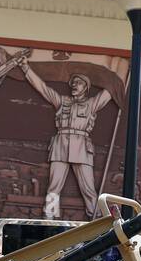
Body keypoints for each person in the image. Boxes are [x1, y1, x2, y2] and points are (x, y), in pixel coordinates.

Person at [18, 62, 112, 218]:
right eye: (73, 83)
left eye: (79, 83)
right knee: (53, 187)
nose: (75, 85)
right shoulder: (62, 101)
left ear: (86, 88)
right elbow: (42, 88)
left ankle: (96, 219)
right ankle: (49, 218)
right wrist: (25, 68)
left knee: (88, 189)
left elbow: (109, 91)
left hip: (81, 148)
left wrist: (122, 74)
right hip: (60, 146)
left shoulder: (91, 104)